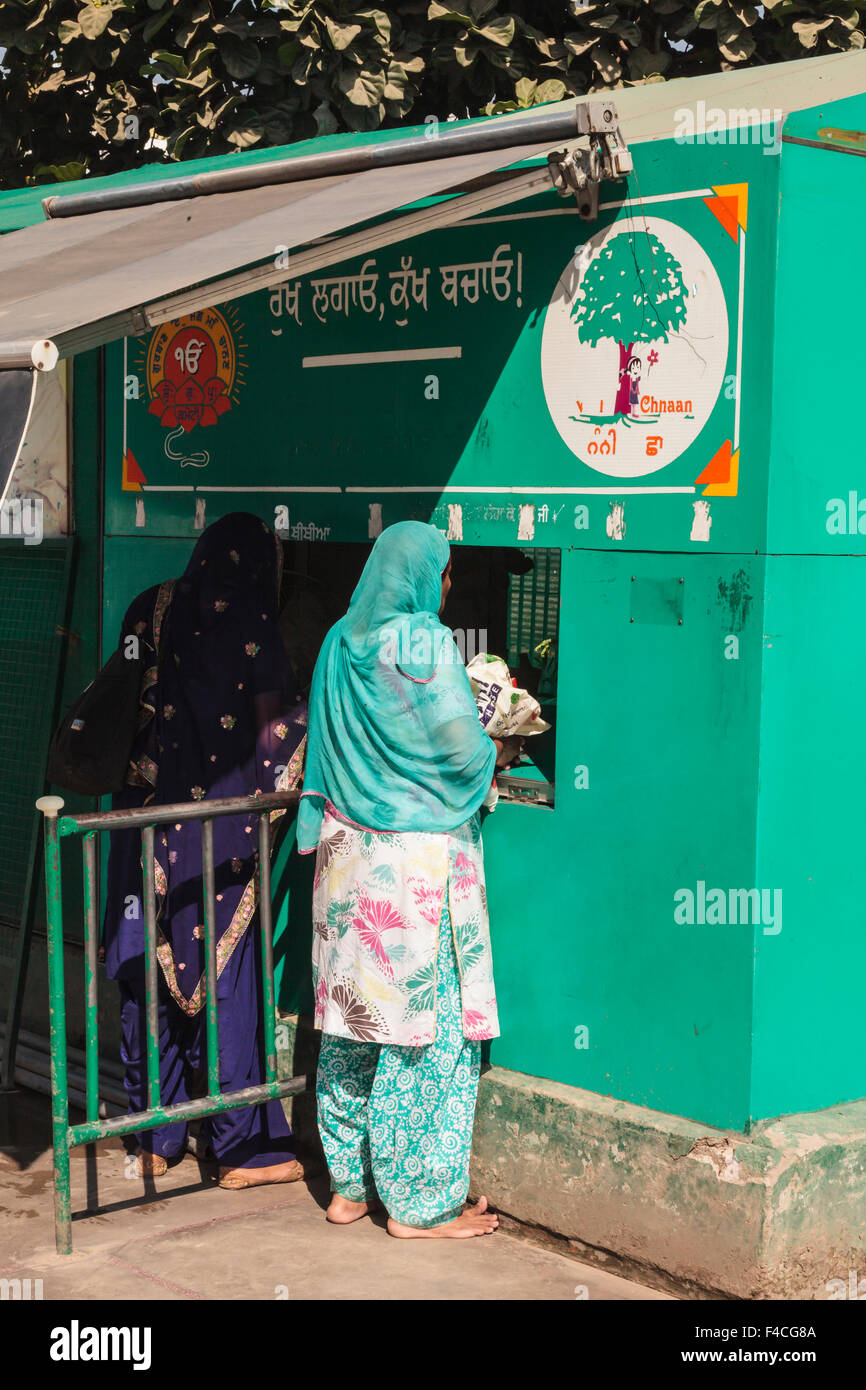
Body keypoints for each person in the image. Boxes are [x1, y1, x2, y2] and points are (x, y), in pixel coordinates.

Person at [298, 520, 519, 1238]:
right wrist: (498, 748)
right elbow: (459, 752)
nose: (449, 584)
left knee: (351, 1032)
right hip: (414, 874)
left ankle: (348, 1190)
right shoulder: (422, 641)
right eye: (446, 570)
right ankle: (420, 1208)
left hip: (344, 865)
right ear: (424, 577)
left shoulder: (339, 639)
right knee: (424, 1036)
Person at [103, 512, 307, 1188]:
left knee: (148, 977)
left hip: (139, 828)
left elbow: (124, 710)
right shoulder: (254, 623)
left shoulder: (148, 608)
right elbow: (272, 740)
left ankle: (156, 1138)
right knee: (226, 980)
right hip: (220, 836)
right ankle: (242, 1148)